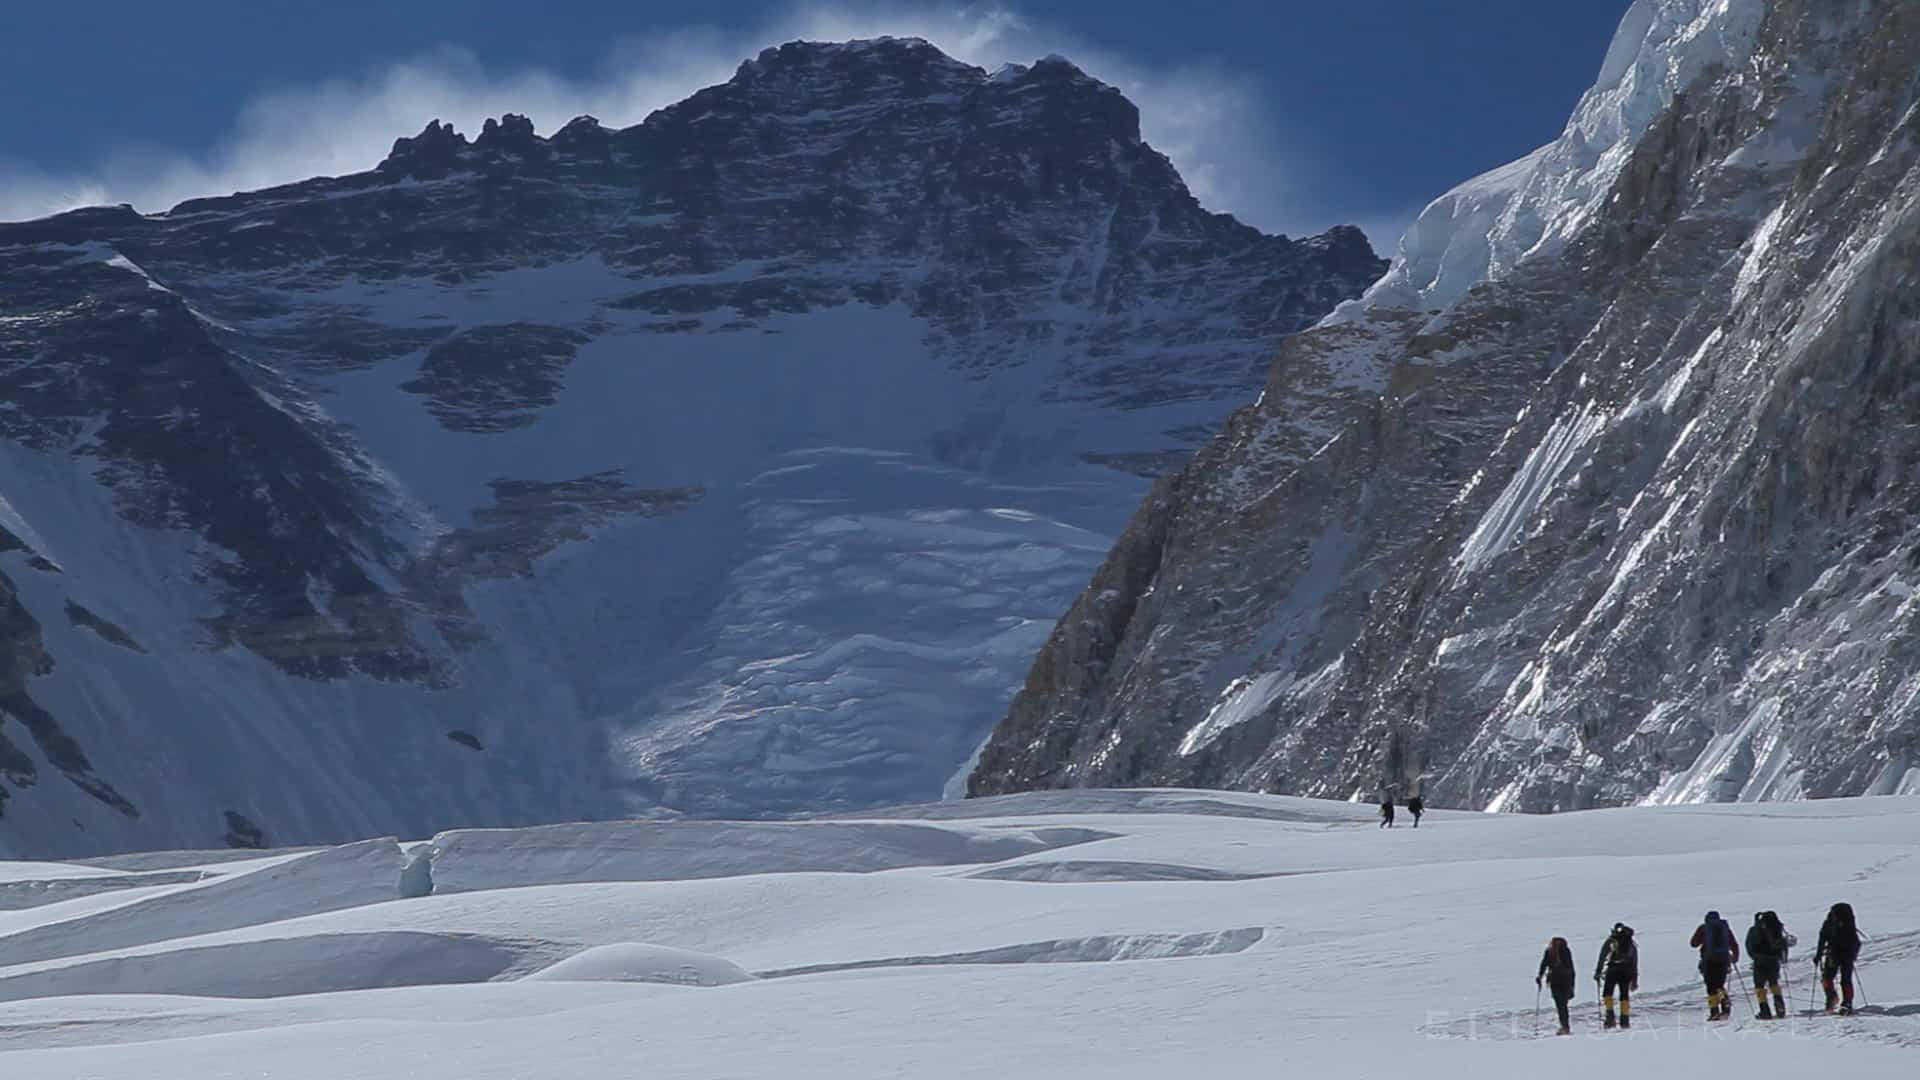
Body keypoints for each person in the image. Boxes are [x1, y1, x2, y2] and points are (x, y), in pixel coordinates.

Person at [1689, 910, 1740, 1021]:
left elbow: (1693, 943)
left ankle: (1714, 1012)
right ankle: (1725, 1000)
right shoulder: (1724, 928)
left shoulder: (1703, 928)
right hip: (1723, 960)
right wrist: (1735, 958)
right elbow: (1734, 944)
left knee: (1711, 987)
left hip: (1709, 961)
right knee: (1719, 984)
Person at [1814, 902, 1861, 1015]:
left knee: (1828, 976)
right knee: (1846, 979)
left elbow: (1822, 938)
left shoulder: (1830, 923)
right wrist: (1854, 954)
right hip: (1848, 954)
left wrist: (1818, 955)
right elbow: (1856, 942)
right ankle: (1847, 1003)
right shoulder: (1850, 924)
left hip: (1833, 953)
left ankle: (1831, 997)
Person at [1745, 910, 1794, 1020]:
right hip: (1774, 960)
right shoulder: (1776, 928)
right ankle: (1779, 1005)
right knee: (1773, 983)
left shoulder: (1755, 929)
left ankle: (1764, 1010)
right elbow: (1783, 944)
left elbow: (1749, 945)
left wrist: (1754, 957)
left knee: (1759, 986)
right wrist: (1782, 958)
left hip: (1759, 960)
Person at [1593, 922, 1638, 1029]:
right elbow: (1634, 961)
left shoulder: (1611, 941)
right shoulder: (1631, 943)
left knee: (1607, 994)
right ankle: (1625, 1020)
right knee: (1624, 995)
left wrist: (1598, 971)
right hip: (1626, 971)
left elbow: (1602, 956)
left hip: (1613, 969)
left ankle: (1610, 1017)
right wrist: (1634, 979)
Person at [1537, 936, 1577, 1035]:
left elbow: (1544, 964)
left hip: (1555, 980)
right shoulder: (1566, 950)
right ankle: (1565, 1026)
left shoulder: (1549, 951)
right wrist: (1572, 984)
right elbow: (1571, 967)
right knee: (1563, 1004)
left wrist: (1540, 976)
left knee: (1560, 1004)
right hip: (1565, 980)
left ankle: (1564, 1026)